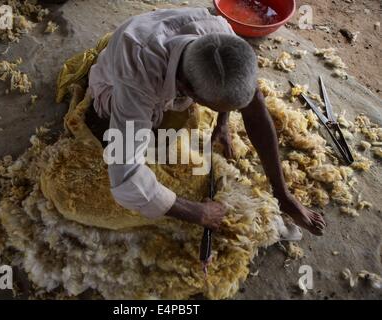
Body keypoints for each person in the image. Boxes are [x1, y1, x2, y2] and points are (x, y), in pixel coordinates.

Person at [88, 7, 326, 235]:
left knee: (208, 99)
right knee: (144, 127)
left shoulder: (223, 36)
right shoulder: (138, 76)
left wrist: (282, 194)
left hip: (168, 56)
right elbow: (124, 179)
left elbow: (255, 109)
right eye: (216, 107)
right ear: (186, 90)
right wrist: (197, 212)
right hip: (114, 79)